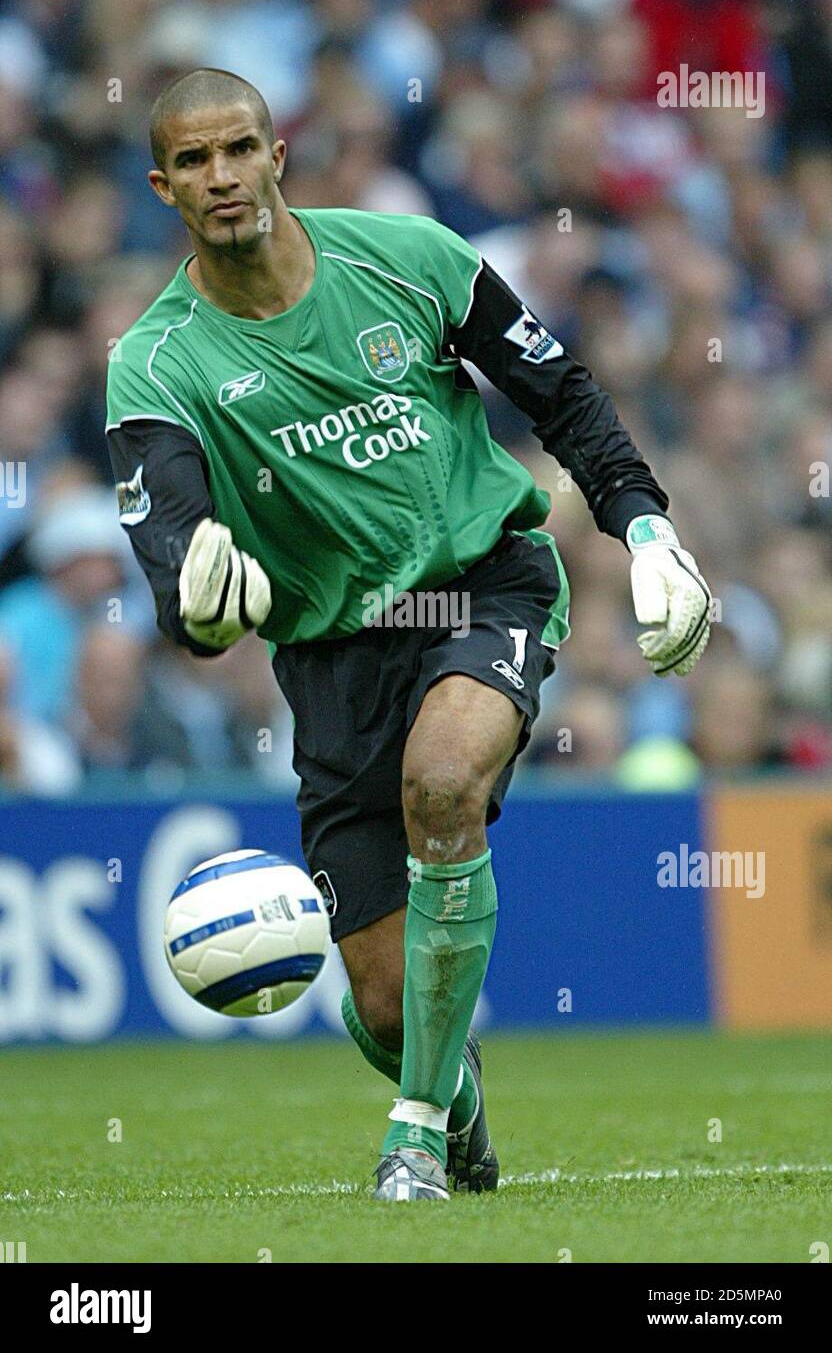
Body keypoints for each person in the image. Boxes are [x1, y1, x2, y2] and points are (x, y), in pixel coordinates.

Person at [106, 68, 711, 1201]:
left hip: (482, 586)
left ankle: (415, 1134)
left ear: (278, 154)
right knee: (383, 1009)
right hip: (331, 660)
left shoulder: (411, 256)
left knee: (440, 785)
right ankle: (453, 1096)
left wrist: (644, 528)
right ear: (162, 187)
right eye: (194, 161)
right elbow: (179, 568)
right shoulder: (156, 366)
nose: (222, 175)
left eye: (240, 148)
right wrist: (199, 600)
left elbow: (561, 394)